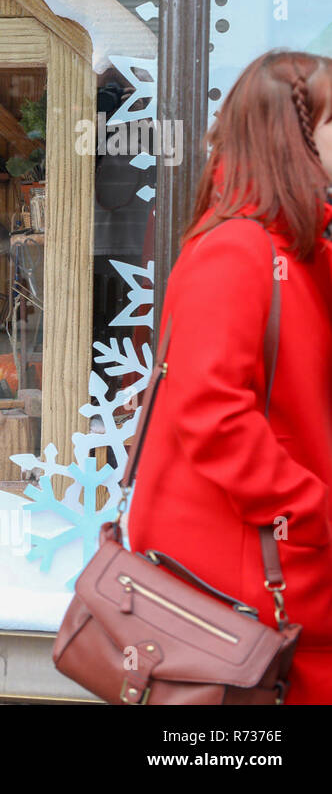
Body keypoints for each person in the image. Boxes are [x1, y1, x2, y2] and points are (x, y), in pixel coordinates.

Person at [127, 50, 332, 705]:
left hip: (281, 588)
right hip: (255, 597)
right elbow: (211, 410)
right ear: (295, 136)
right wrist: (309, 511)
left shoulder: (294, 250)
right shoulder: (237, 251)